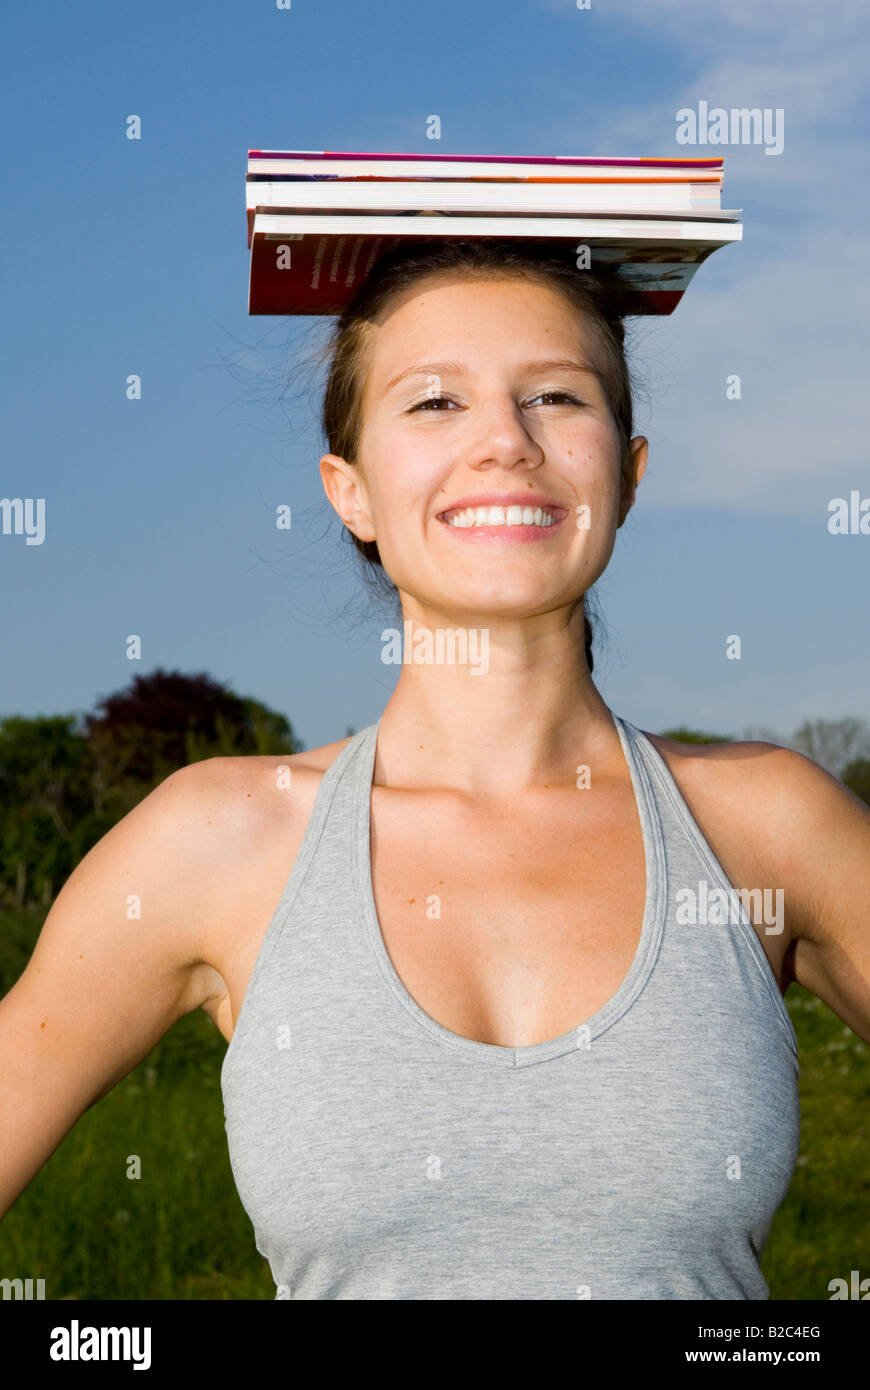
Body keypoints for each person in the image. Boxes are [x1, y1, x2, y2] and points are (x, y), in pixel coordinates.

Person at [2, 240, 869, 1301]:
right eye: (433, 404)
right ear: (351, 490)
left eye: (556, 395)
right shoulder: (219, 839)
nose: (505, 442)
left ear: (629, 473)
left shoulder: (768, 825)